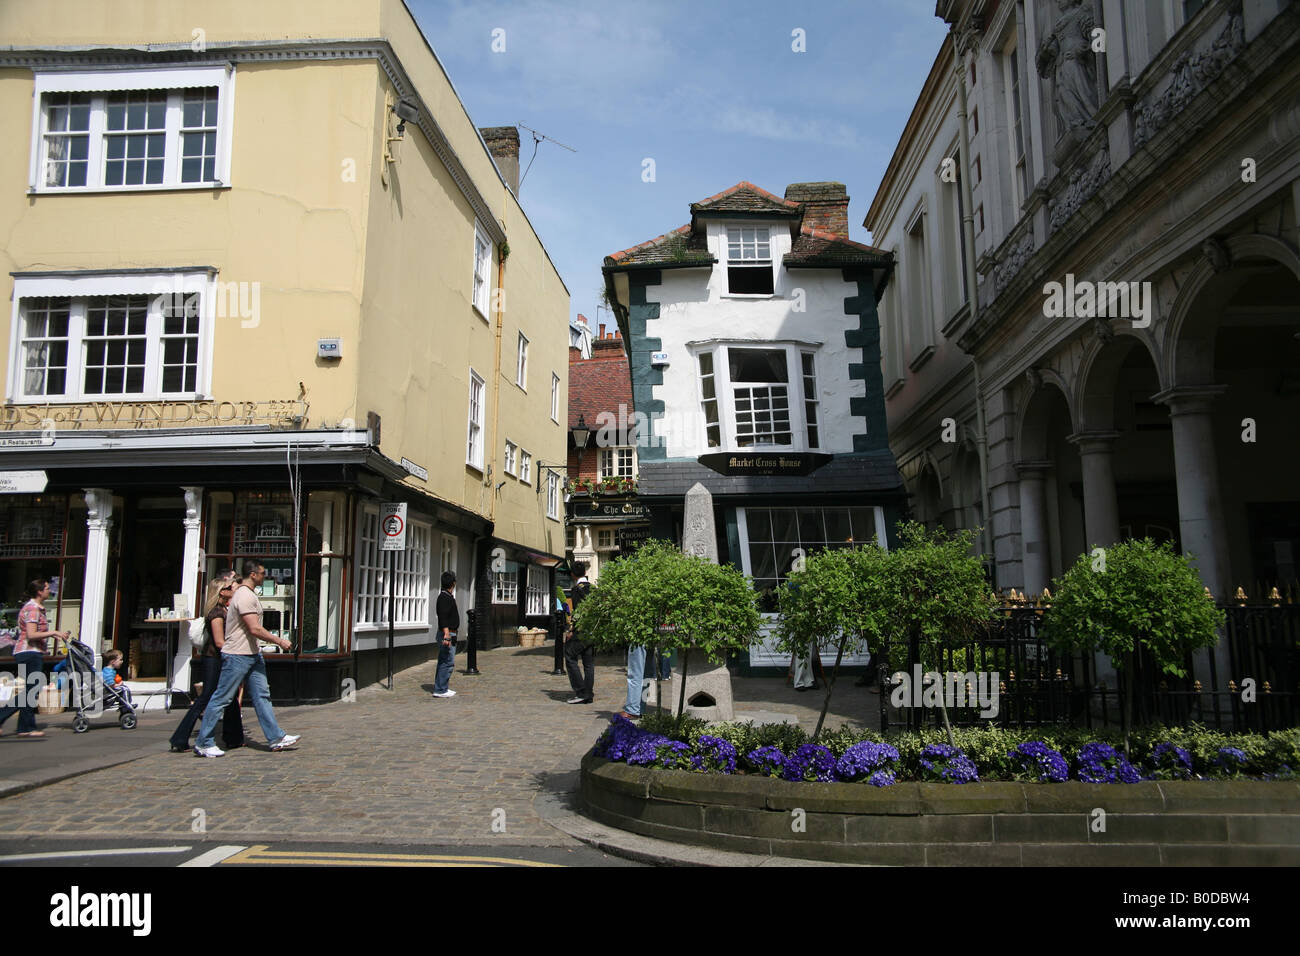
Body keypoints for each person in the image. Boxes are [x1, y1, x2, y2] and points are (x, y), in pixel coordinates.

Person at [192, 560, 299, 757]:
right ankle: (203, 742)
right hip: (237, 656)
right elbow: (254, 628)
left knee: (262, 696)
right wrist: (279, 641)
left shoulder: (247, 594)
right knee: (221, 698)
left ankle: (275, 737)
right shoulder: (244, 596)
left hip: (252, 654)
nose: (265, 576)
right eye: (262, 573)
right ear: (253, 575)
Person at [168, 572, 244, 752]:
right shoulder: (216, 613)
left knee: (230, 696)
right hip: (215, 659)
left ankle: (233, 737)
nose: (232, 590)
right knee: (206, 697)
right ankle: (179, 738)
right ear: (221, 593)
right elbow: (219, 642)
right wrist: (234, 655)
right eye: (228, 588)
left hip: (220, 658)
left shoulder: (224, 609)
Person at [0, 579, 69, 738]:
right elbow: (31, 635)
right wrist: (54, 633)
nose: (49, 590)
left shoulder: (35, 608)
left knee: (31, 690)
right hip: (29, 652)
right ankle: (17, 723)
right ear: (39, 592)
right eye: (46, 588)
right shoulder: (33, 609)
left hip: (31, 652)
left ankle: (25, 727)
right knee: (32, 691)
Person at [564, 562, 594, 705]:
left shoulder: (576, 590)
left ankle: (581, 691)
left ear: (573, 574)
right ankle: (588, 693)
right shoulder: (592, 588)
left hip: (581, 630)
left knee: (569, 655)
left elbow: (577, 612)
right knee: (588, 663)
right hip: (592, 630)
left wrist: (571, 629)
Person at [431, 570, 459, 699]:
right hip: (447, 634)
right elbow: (443, 617)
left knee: (445, 661)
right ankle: (440, 689)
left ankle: (442, 687)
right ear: (453, 583)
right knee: (447, 662)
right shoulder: (444, 598)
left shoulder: (446, 596)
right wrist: (447, 634)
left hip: (450, 633)